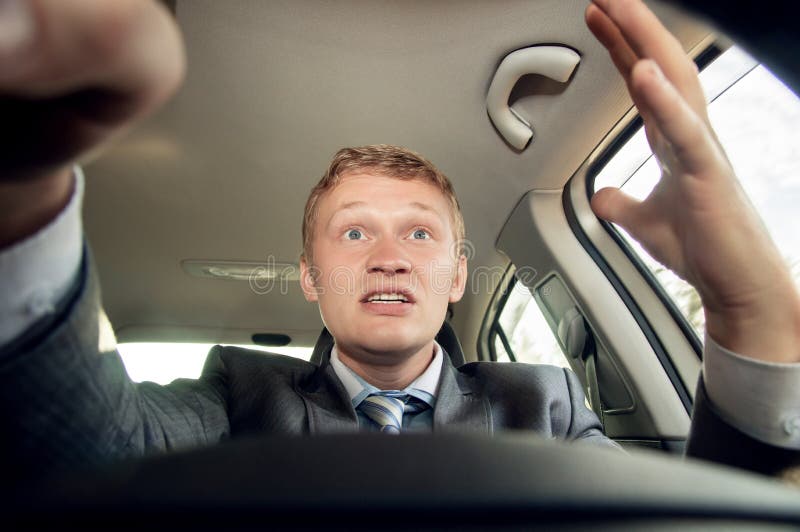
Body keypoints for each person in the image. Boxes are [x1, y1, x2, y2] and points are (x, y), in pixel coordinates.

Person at [0, 0, 798, 483]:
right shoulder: (236, 395)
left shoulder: (543, 405)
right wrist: (23, 188)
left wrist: (748, 305)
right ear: (310, 278)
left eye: (420, 232)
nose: (389, 256)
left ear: (456, 277)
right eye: (354, 232)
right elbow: (88, 455)